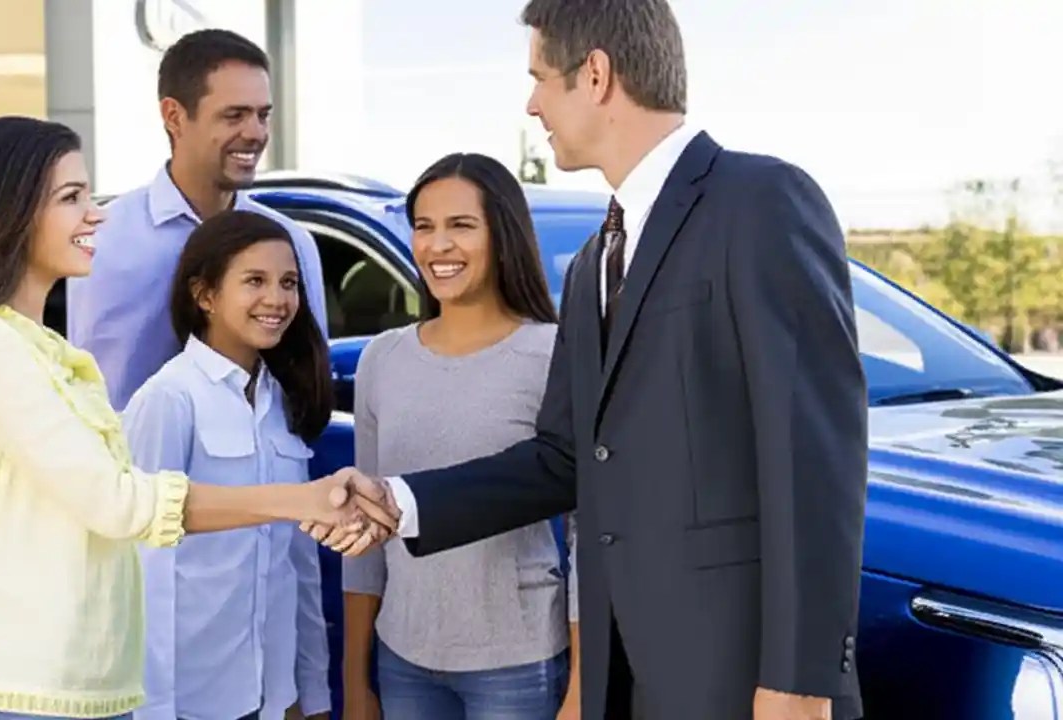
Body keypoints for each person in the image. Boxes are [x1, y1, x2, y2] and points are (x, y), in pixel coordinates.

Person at [316, 1, 869, 718]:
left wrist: (800, 682)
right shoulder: (588, 266)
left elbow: (814, 457)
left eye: (541, 78)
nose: (532, 103)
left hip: (740, 681)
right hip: (627, 678)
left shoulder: (759, 201)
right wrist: (403, 501)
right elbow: (567, 458)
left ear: (597, 75)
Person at [0, 116, 382, 720]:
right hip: (28, 700)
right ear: (7, 212)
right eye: (71, 198)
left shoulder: (47, 349)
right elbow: (120, 503)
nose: (96, 215)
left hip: (89, 695)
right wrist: (299, 500)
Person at [339, 153, 579, 720]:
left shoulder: (553, 356)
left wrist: (581, 692)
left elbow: (587, 539)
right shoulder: (384, 358)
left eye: (461, 226)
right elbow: (363, 534)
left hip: (516, 666)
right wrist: (356, 679)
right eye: (424, 226)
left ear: (503, 235)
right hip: (403, 659)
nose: (437, 246)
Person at [122, 211, 333, 720]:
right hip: (191, 701)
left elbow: (298, 562)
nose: (277, 300)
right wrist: (155, 711)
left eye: (288, 283)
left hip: (272, 696)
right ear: (205, 295)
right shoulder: (168, 399)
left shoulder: (281, 402)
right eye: (254, 281)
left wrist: (311, 691)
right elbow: (141, 570)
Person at [66, 28, 327, 412]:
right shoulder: (101, 238)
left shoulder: (292, 244)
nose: (255, 133)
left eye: (263, 115)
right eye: (234, 115)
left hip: (267, 469)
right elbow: (91, 399)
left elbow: (307, 387)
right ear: (174, 116)